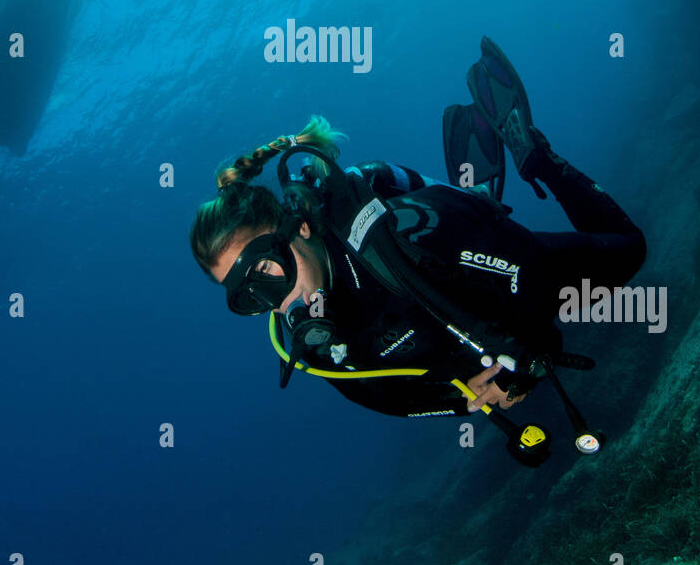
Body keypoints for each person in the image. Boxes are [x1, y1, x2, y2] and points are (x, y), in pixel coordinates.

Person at [189, 38, 646, 427]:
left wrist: (531, 350)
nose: (276, 301)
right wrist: (464, 397)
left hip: (473, 242)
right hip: (461, 300)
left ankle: (535, 159)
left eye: (265, 266)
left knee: (629, 252)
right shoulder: (316, 341)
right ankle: (480, 187)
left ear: (300, 227)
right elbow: (382, 398)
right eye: (249, 296)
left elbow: (536, 275)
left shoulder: (412, 232)